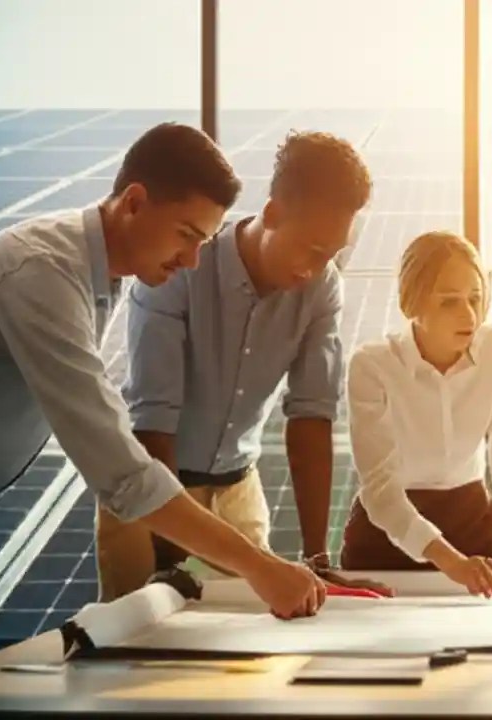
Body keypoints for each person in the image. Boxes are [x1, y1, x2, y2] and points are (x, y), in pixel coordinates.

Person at [0, 122, 327, 697]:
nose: (190, 260)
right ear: (134, 202)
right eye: (185, 234)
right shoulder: (42, 273)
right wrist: (260, 567)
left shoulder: (93, 273)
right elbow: (120, 471)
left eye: (204, 243)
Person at [97, 130, 388, 599]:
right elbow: (154, 417)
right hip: (149, 485)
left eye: (331, 255)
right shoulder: (179, 263)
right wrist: (169, 557)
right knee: (138, 640)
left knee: (259, 642)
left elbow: (312, 414)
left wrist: (317, 559)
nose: (315, 270)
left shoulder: (322, 288)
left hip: (238, 491)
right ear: (272, 215)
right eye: (312, 250)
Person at [341, 231, 492, 596]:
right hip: (386, 534)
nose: (469, 315)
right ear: (411, 303)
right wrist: (453, 564)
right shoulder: (371, 366)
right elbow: (380, 489)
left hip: (471, 525)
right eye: (449, 302)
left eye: (475, 299)